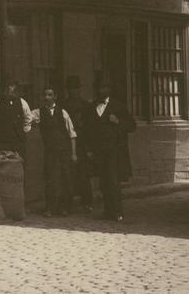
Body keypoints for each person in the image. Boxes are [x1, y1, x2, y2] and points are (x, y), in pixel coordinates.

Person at [86, 76, 136, 222]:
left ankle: (117, 212)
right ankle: (108, 211)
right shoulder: (91, 107)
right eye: (99, 88)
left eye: (104, 88)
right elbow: (88, 131)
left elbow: (132, 125)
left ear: (109, 90)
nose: (101, 91)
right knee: (103, 182)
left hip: (114, 151)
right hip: (99, 151)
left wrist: (118, 121)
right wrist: (89, 149)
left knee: (114, 181)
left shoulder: (118, 106)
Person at [32, 87, 77, 217]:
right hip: (50, 152)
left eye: (50, 95)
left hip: (64, 151)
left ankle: (64, 207)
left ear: (55, 97)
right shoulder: (38, 113)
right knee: (51, 178)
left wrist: (74, 154)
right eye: (45, 95)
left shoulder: (63, 112)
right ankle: (50, 208)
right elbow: (26, 119)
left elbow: (72, 134)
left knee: (65, 178)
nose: (47, 97)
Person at [62, 75, 93, 212]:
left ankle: (87, 202)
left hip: (82, 143)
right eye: (71, 89)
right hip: (66, 143)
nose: (73, 91)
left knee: (83, 174)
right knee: (67, 174)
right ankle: (67, 204)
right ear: (68, 90)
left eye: (75, 88)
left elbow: (90, 128)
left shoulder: (86, 106)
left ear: (79, 89)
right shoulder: (63, 106)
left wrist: (89, 147)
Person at [0, 79, 32, 161]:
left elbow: (28, 119)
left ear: (16, 88)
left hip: (17, 144)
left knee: (19, 165)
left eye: (12, 85)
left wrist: (23, 132)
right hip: (1, 144)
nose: (9, 88)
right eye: (6, 85)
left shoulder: (22, 103)